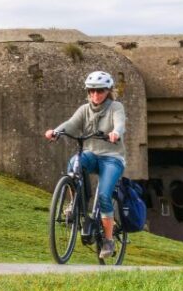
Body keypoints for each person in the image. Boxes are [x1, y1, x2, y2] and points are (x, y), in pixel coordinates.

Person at [45, 71, 126, 259]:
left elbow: (120, 123)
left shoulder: (116, 107)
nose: (96, 95)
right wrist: (56, 131)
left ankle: (108, 240)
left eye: (100, 91)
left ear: (108, 91)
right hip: (91, 154)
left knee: (105, 195)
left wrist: (115, 132)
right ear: (88, 92)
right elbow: (71, 124)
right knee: (75, 162)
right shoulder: (84, 109)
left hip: (112, 157)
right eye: (92, 91)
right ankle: (75, 202)